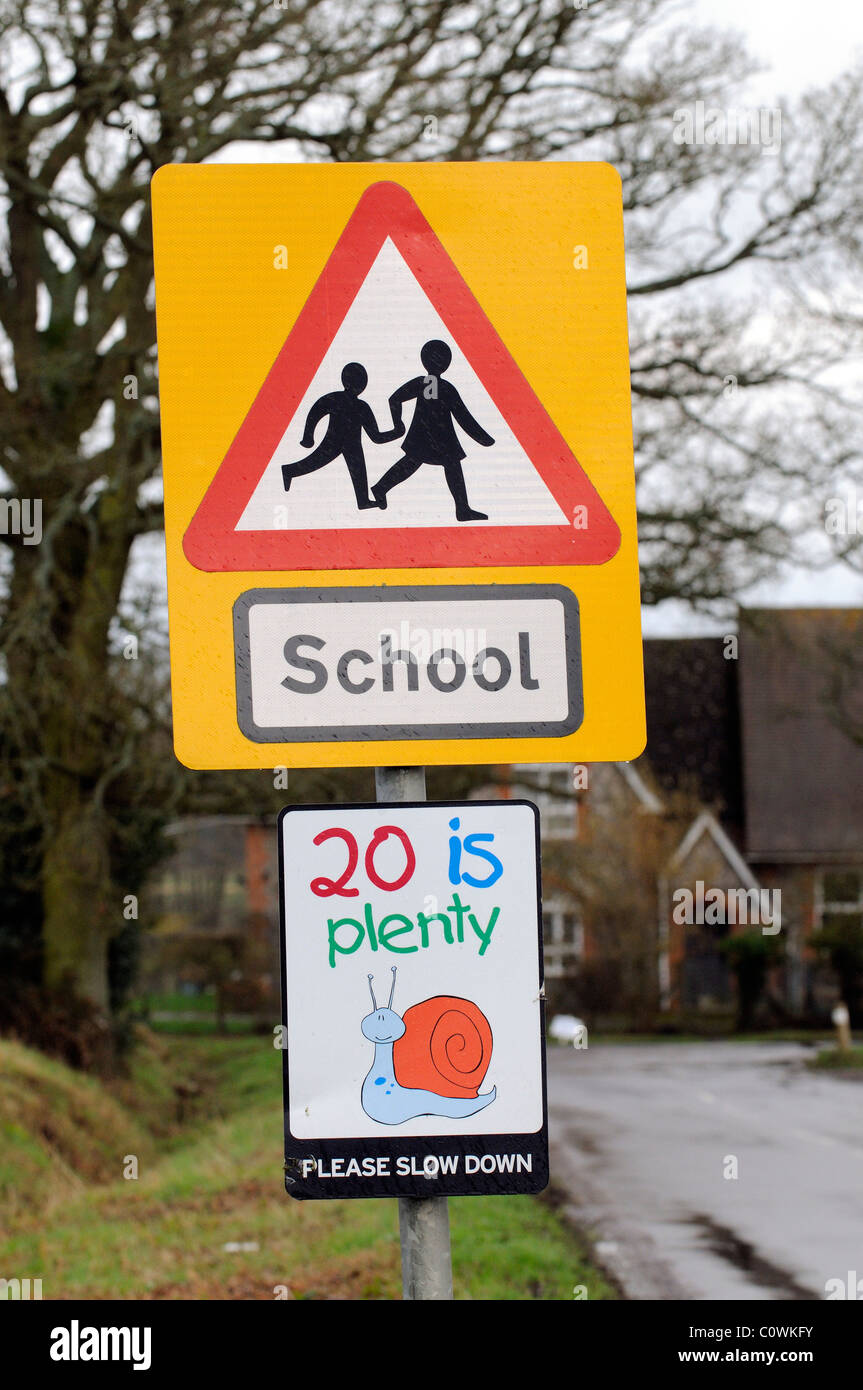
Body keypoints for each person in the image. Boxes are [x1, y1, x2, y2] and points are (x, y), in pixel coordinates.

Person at [371, 340, 494, 521]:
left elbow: (395, 399)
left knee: (413, 463)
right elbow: (463, 417)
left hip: (425, 435)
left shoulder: (425, 383)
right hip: (440, 437)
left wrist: (398, 423)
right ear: (446, 363)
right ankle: (462, 509)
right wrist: (483, 438)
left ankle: (381, 487)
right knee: (445, 465)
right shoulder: (444, 387)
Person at [281, 362, 403, 510]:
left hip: (347, 444)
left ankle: (363, 500)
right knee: (315, 462)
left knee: (352, 469)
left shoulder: (340, 400)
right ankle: (288, 471)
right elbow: (376, 437)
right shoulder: (360, 406)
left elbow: (315, 412)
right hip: (338, 442)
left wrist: (308, 437)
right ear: (363, 385)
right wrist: (397, 432)